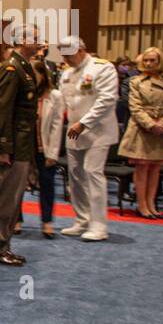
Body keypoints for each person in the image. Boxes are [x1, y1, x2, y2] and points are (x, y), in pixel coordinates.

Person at [0, 26, 39, 265]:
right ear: (21, 40)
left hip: (23, 143)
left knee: (15, 198)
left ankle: (4, 244)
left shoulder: (25, 67)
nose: (40, 42)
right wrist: (3, 147)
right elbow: (3, 111)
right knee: (7, 197)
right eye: (35, 38)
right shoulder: (11, 68)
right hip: (13, 145)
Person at [56, 35, 120, 240]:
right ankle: (82, 220)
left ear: (82, 50)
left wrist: (84, 123)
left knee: (93, 174)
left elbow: (107, 100)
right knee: (75, 177)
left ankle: (99, 225)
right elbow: (64, 102)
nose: (67, 59)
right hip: (73, 133)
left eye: (70, 55)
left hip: (97, 132)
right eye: (64, 55)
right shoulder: (66, 73)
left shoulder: (103, 68)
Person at [118, 48, 163, 219]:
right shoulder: (135, 81)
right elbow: (134, 107)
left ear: (160, 61)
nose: (148, 63)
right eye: (146, 60)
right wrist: (151, 124)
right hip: (142, 128)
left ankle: (151, 204)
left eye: (152, 60)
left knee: (156, 168)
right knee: (142, 167)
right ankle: (142, 205)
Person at [36, 58, 65, 237]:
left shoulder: (55, 95)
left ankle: (47, 221)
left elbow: (57, 126)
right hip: (25, 147)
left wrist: (52, 152)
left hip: (45, 147)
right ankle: (17, 220)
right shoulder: (24, 93)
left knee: (47, 184)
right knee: (19, 186)